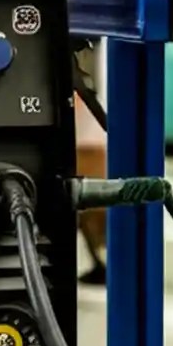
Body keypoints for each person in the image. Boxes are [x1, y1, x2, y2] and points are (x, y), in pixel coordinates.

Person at [75, 91, 108, 285]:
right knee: (88, 214)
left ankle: (101, 263)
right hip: (89, 144)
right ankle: (99, 262)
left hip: (87, 147)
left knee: (90, 212)